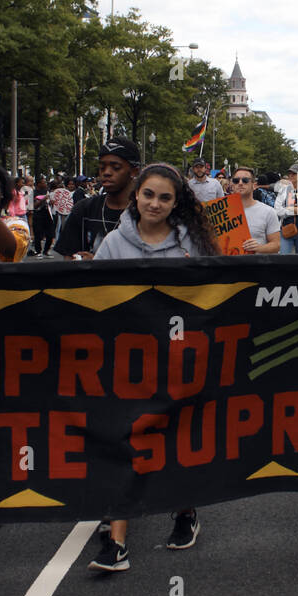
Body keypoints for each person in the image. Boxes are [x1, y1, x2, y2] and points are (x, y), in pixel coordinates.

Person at [88, 163, 219, 570]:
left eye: (165, 197)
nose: (155, 204)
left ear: (176, 203)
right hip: (127, 360)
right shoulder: (112, 243)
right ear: (136, 196)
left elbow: (211, 297)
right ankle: (117, 542)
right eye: (149, 195)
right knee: (125, 442)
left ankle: (184, 511)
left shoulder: (194, 243)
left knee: (176, 440)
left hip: (179, 360)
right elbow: (93, 298)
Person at [55, 139, 141, 259]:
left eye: (115, 167)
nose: (106, 173)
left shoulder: (145, 212)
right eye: (102, 167)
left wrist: (97, 263)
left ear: (134, 171)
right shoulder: (83, 210)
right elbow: (69, 258)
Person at [230, 165, 281, 253]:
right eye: (236, 180)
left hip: (256, 264)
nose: (240, 183)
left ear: (254, 185)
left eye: (245, 180)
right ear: (232, 185)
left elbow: (276, 245)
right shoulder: (222, 212)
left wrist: (259, 248)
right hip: (227, 264)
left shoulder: (268, 212)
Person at [275, 165, 298, 254]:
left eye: (294, 173)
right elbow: (277, 210)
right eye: (290, 173)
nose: (291, 175)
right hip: (286, 230)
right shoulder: (283, 190)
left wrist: (288, 209)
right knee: (284, 259)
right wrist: (295, 210)